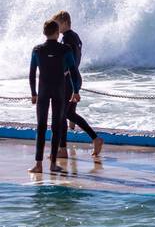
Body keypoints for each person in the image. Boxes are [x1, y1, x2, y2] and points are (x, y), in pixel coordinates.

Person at [29, 19, 81, 174]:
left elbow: (32, 74)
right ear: (57, 33)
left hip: (43, 92)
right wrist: (76, 90)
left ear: (44, 33)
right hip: (59, 91)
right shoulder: (65, 50)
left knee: (41, 126)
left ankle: (38, 165)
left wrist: (33, 93)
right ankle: (52, 164)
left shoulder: (37, 50)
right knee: (56, 126)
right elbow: (73, 71)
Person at [54, 11, 103, 157]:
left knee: (63, 114)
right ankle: (95, 139)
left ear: (64, 22)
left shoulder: (67, 38)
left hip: (69, 79)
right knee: (69, 113)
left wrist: (65, 72)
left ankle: (63, 149)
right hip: (74, 78)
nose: (56, 27)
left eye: (57, 24)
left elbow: (72, 59)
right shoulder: (74, 36)